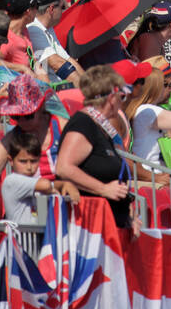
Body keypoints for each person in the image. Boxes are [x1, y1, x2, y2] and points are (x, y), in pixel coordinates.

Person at [54, 67, 134, 228]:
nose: (122, 102)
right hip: (89, 226)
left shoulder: (102, 127)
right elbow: (63, 168)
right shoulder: (84, 124)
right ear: (112, 98)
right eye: (122, 96)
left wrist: (129, 218)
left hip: (110, 223)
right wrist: (103, 189)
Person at [1, 128, 80, 224]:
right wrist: (57, 187)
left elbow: (49, 184)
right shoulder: (11, 180)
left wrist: (65, 184)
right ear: (10, 161)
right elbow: (46, 185)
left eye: (33, 161)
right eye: (23, 161)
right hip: (22, 237)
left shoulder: (35, 181)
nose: (29, 167)